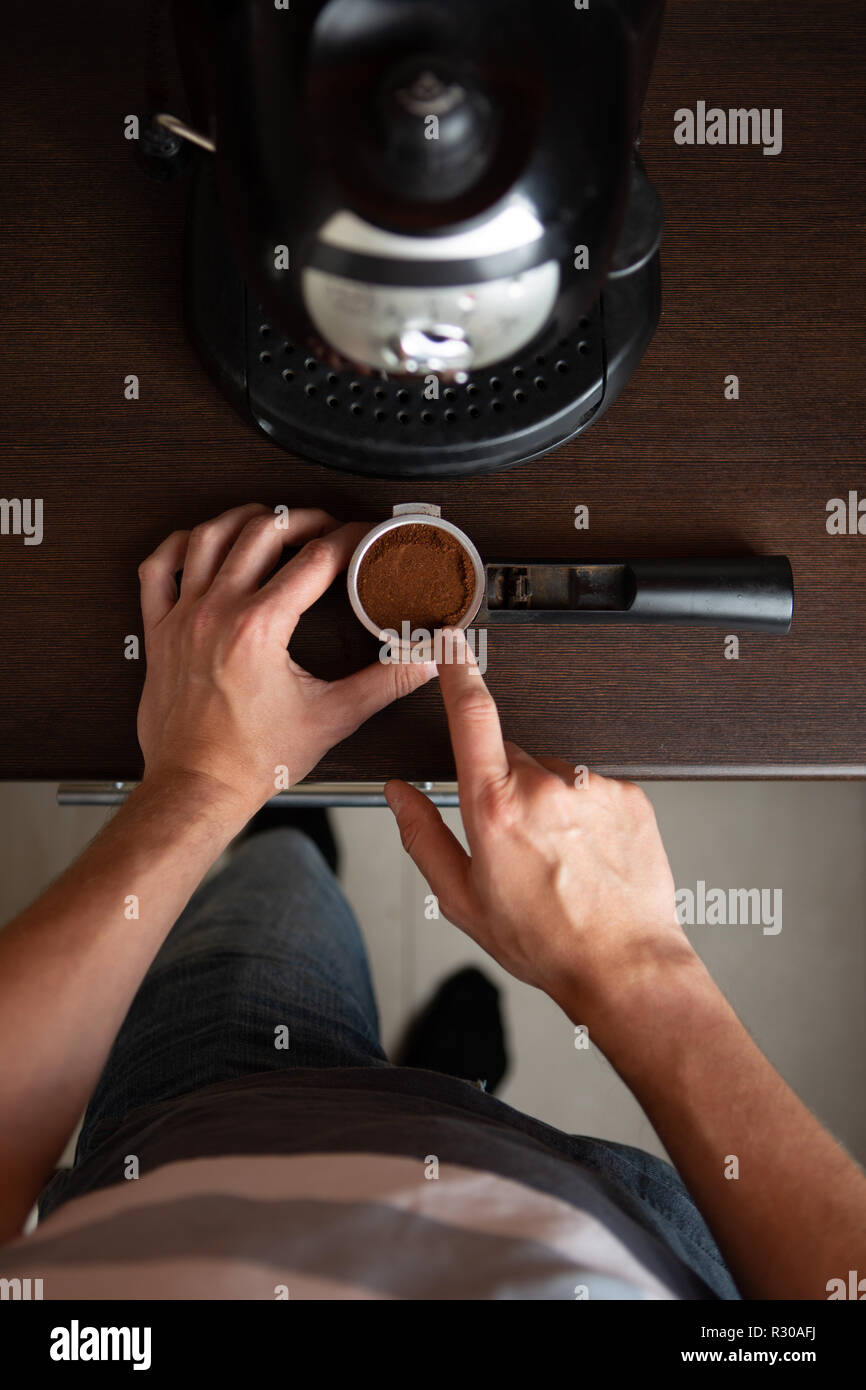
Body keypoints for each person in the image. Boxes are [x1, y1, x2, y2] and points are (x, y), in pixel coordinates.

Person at [0, 503, 862, 1301]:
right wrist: (640, 969)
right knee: (434, 1067)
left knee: (279, 894)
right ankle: (453, 1084)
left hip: (204, 1123)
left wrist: (198, 784)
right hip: (592, 1206)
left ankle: (300, 862)